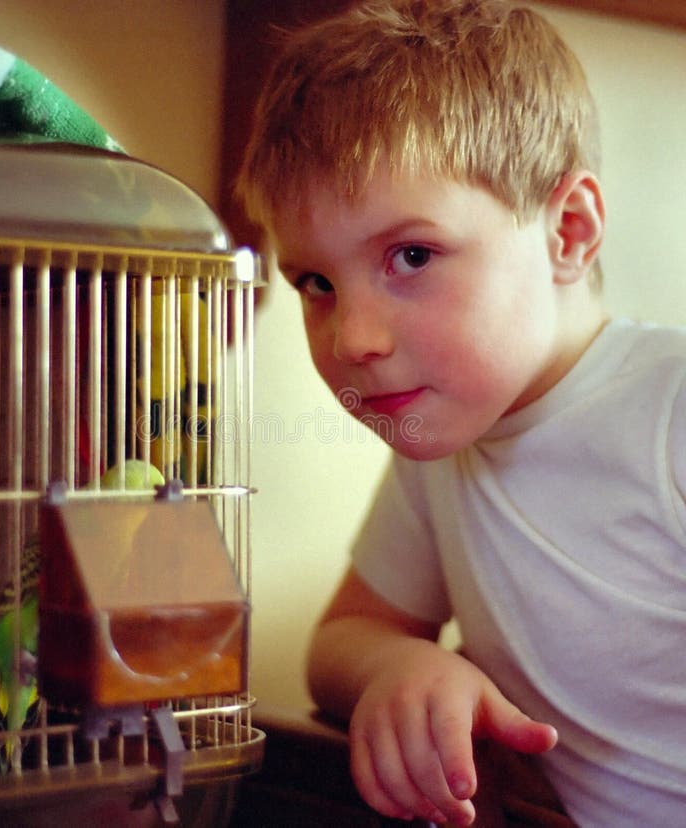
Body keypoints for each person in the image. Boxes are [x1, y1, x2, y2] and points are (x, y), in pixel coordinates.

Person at [235, 1, 686, 826]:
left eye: (412, 256)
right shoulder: (435, 446)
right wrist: (403, 668)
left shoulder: (671, 409)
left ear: (569, 231)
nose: (355, 338)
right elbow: (341, 641)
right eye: (316, 284)